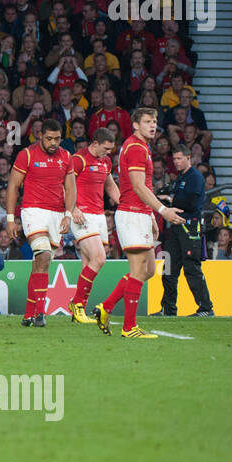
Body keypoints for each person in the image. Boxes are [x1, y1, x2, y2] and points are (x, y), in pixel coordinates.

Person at [88, 108, 185, 339]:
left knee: (149, 270)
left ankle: (106, 307)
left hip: (140, 214)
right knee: (137, 270)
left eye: (155, 121)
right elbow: (138, 186)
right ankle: (129, 327)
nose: (153, 125)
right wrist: (162, 210)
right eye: (148, 121)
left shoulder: (142, 147)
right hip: (132, 214)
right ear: (135, 125)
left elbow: (142, 186)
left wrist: (151, 215)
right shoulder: (135, 148)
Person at [4, 118, 77, 327]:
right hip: (33, 212)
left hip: (56, 215)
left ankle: (28, 314)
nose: (53, 143)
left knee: (39, 264)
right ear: (40, 136)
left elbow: (71, 188)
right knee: (44, 256)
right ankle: (40, 313)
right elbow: (13, 186)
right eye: (49, 138)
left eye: (57, 138)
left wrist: (68, 215)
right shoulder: (26, 154)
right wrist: (11, 219)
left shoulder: (66, 157)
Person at [154, 145, 216, 317]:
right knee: (169, 269)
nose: (176, 162)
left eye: (180, 158)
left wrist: (170, 199)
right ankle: (168, 309)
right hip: (176, 227)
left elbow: (190, 203)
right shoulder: (181, 178)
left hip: (190, 227)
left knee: (192, 268)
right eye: (174, 159)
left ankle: (206, 308)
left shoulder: (195, 177)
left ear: (189, 158)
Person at [69, 128, 121, 323]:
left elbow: (109, 185)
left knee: (89, 263)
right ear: (95, 143)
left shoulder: (105, 161)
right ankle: (77, 303)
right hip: (82, 214)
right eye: (105, 149)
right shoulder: (78, 160)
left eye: (110, 150)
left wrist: (122, 203)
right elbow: (65, 185)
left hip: (99, 214)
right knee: (99, 258)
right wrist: (72, 208)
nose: (107, 153)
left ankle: (80, 309)